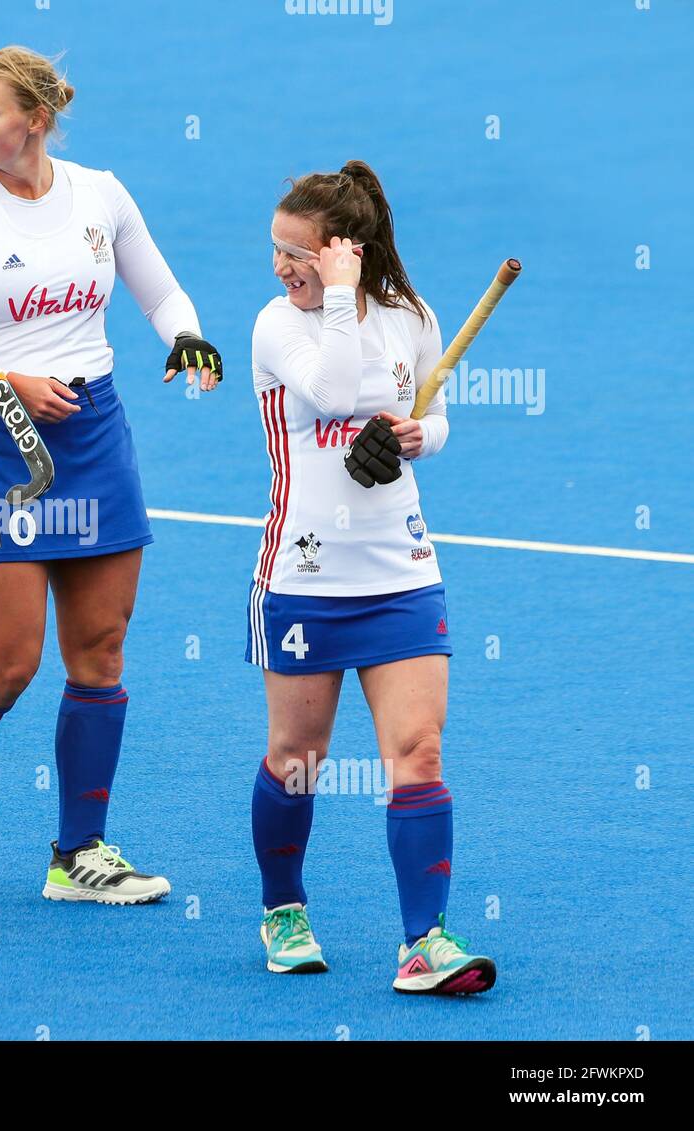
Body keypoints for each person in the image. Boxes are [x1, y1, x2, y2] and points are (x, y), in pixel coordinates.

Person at [0, 45, 223, 904]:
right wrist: (5, 381)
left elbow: (159, 292)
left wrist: (184, 333)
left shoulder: (100, 194)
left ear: (33, 119)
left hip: (95, 433)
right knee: (7, 663)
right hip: (0, 443)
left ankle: (80, 852)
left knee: (100, 651)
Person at [246, 161, 496, 994]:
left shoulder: (410, 318)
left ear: (345, 251)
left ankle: (423, 941)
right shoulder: (277, 327)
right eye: (277, 249)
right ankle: (284, 907)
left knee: (418, 754)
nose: (282, 266)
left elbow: (435, 410)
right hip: (305, 580)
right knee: (296, 760)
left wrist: (424, 437)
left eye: (298, 252)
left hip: (400, 572)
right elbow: (329, 387)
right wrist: (341, 296)